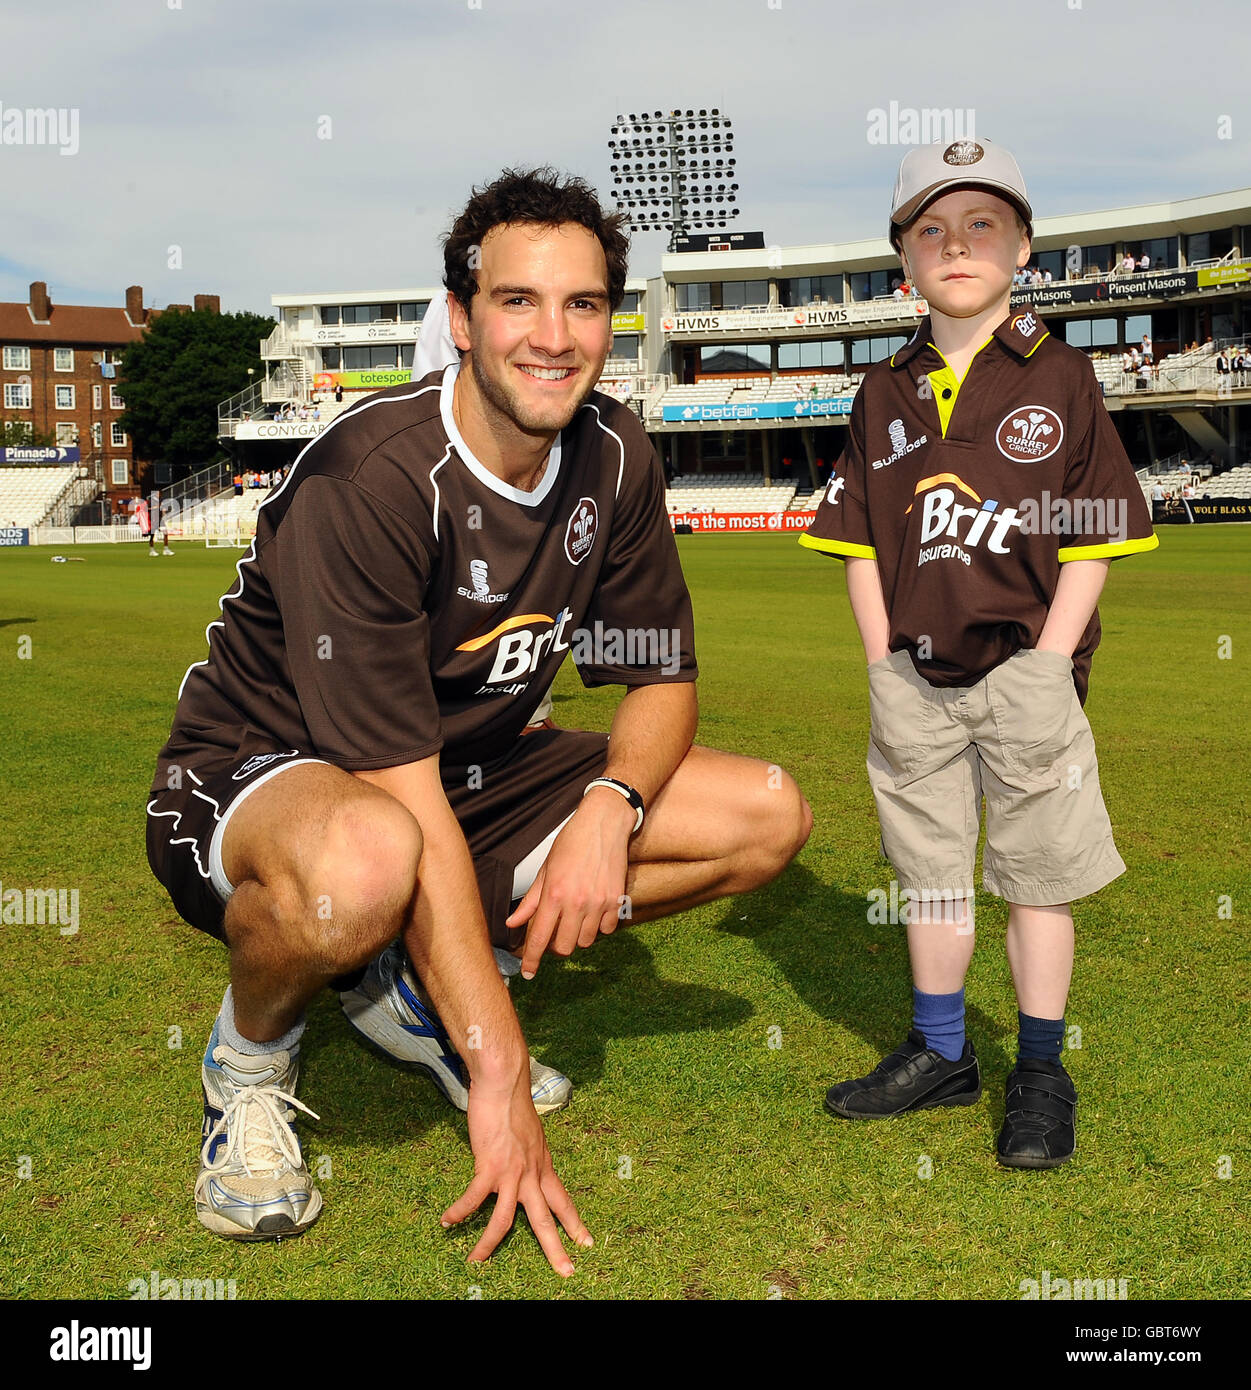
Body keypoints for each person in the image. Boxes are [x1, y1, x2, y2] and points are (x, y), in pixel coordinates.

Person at [145, 168, 811, 1270]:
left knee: (765, 815)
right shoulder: (374, 478)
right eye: (518, 302)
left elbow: (662, 680)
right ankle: (250, 1060)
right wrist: (496, 1068)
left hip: (466, 770)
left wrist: (612, 800)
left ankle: (424, 973)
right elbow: (396, 799)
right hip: (263, 774)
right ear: (461, 320)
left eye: (584, 304)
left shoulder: (616, 451)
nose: (553, 337)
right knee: (363, 865)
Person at [800, 138, 1157, 1170]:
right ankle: (944, 1052)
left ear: (1025, 247)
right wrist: (881, 662)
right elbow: (861, 544)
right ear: (904, 260)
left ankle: (1041, 1071)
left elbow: (1093, 536)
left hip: (1025, 672)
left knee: (1037, 875)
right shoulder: (884, 390)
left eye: (982, 225)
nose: (957, 246)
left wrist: (1048, 661)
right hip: (914, 674)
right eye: (932, 230)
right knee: (932, 877)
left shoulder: (1063, 371)